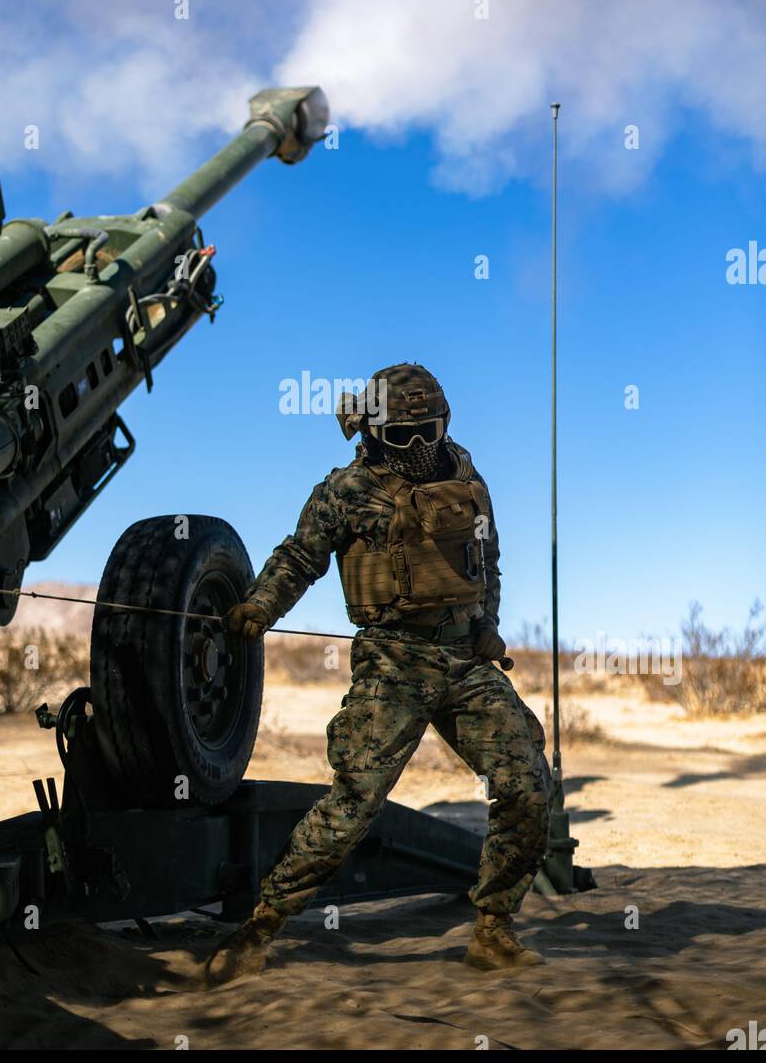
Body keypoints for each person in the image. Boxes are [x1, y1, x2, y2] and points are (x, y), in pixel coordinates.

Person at [205, 363, 551, 984]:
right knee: (354, 803)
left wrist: (487, 626)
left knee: (527, 784)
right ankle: (261, 926)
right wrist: (260, 605)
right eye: (403, 437)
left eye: (431, 429)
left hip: (464, 661)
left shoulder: (466, 475)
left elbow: (486, 560)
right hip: (392, 660)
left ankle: (493, 929)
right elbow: (300, 556)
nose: (421, 447)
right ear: (373, 433)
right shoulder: (345, 490)